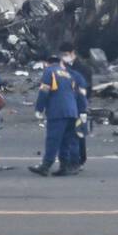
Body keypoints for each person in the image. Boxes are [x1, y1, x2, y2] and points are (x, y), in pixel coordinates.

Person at [29, 45, 80, 177]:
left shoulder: (49, 72)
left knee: (53, 139)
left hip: (58, 112)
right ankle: (64, 166)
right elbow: (74, 94)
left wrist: (39, 109)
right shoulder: (69, 75)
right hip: (72, 112)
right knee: (65, 141)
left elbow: (44, 91)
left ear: (47, 63)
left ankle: (45, 166)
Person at [68, 50, 92, 171]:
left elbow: (86, 90)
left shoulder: (82, 69)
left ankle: (78, 160)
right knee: (78, 133)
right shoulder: (75, 68)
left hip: (79, 106)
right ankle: (77, 159)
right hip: (77, 105)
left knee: (78, 133)